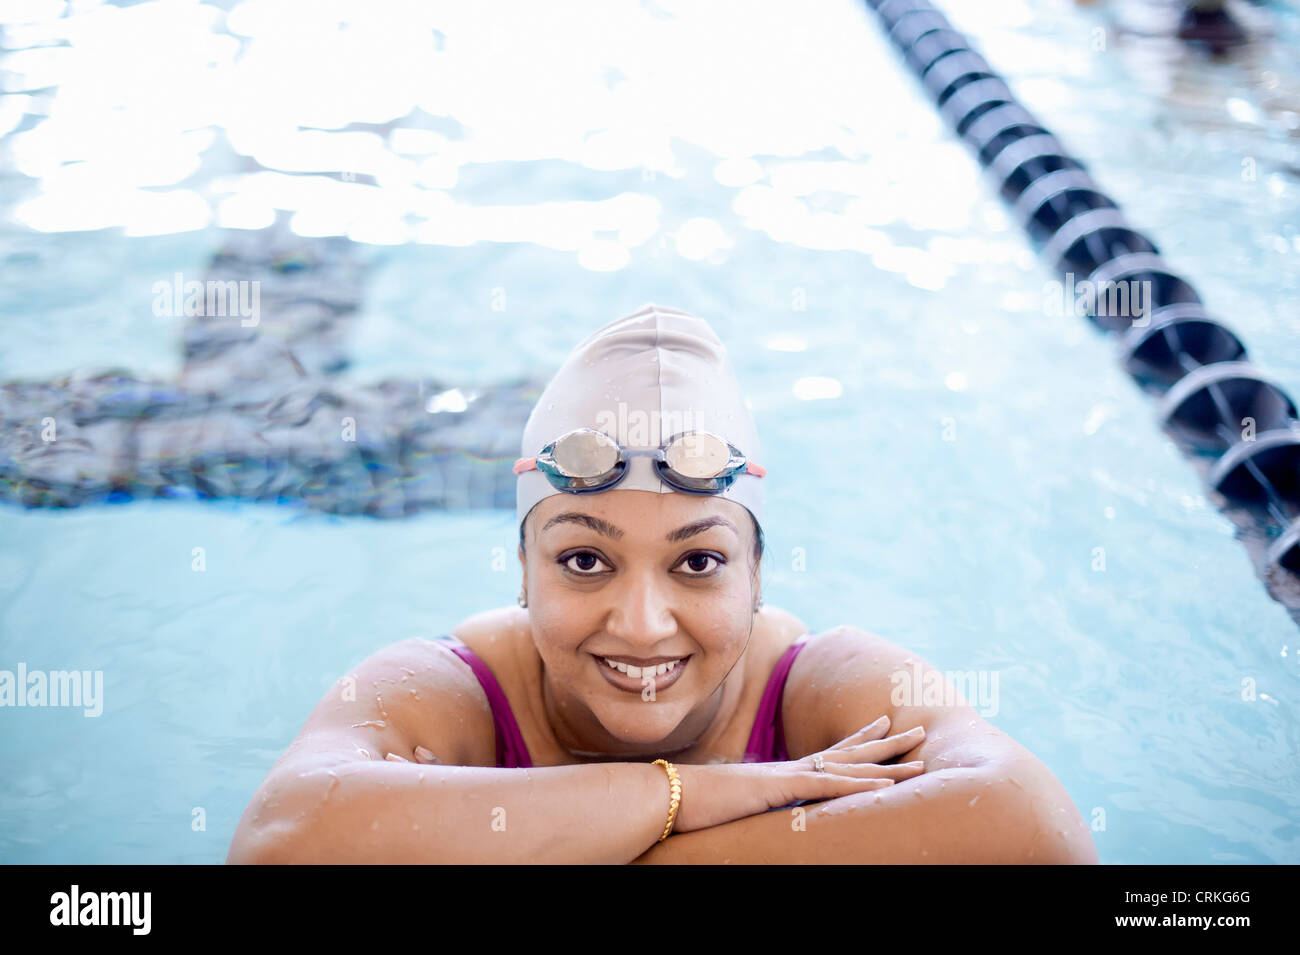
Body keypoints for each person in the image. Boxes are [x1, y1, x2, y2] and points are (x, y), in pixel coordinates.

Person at [227, 303, 1097, 864]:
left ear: (756, 576)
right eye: (584, 560)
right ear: (522, 571)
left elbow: (1035, 830)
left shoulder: (824, 686)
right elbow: (278, 843)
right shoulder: (452, 691)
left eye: (698, 562)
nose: (642, 626)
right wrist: (698, 793)